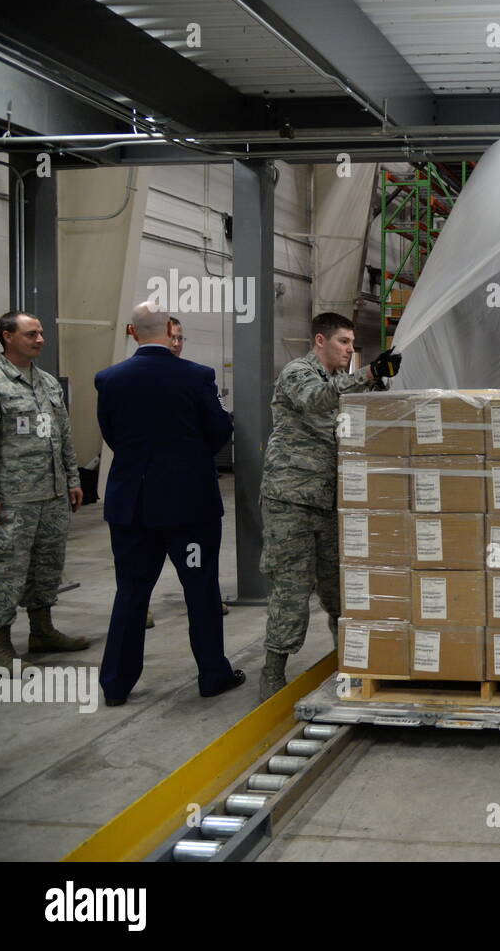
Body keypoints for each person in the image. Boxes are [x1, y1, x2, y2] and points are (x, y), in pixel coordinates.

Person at [94, 302, 243, 705]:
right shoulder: (196, 376)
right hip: (188, 507)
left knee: (131, 591)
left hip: (132, 506)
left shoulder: (109, 379)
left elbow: (112, 435)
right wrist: (188, 460)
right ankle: (212, 674)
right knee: (200, 588)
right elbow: (218, 431)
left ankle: (115, 685)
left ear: (132, 331)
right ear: (168, 331)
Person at [258, 313, 400, 700]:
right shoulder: (298, 373)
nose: (349, 350)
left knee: (341, 590)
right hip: (292, 501)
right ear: (320, 340)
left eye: (353, 344)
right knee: (292, 588)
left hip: (333, 502)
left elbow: (378, 415)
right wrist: (368, 372)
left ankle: (351, 660)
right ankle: (273, 673)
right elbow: (316, 400)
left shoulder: (345, 384)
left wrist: (383, 382)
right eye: (343, 342)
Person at [0, 312, 87, 672]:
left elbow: (62, 435)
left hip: (51, 495)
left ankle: (42, 630)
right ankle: (0, 638)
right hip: (14, 498)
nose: (40, 339)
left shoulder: (48, 383)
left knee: (47, 565)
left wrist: (73, 479)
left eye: (41, 333)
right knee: (8, 569)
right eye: (31, 333)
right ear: (7, 337)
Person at [143, 315, 228, 631]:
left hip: (184, 486)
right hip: (153, 487)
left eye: (181, 338)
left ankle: (204, 601)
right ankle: (141, 605)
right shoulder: (130, 377)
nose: (177, 344)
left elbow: (218, 427)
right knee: (145, 563)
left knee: (196, 562)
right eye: (172, 338)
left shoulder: (196, 377)